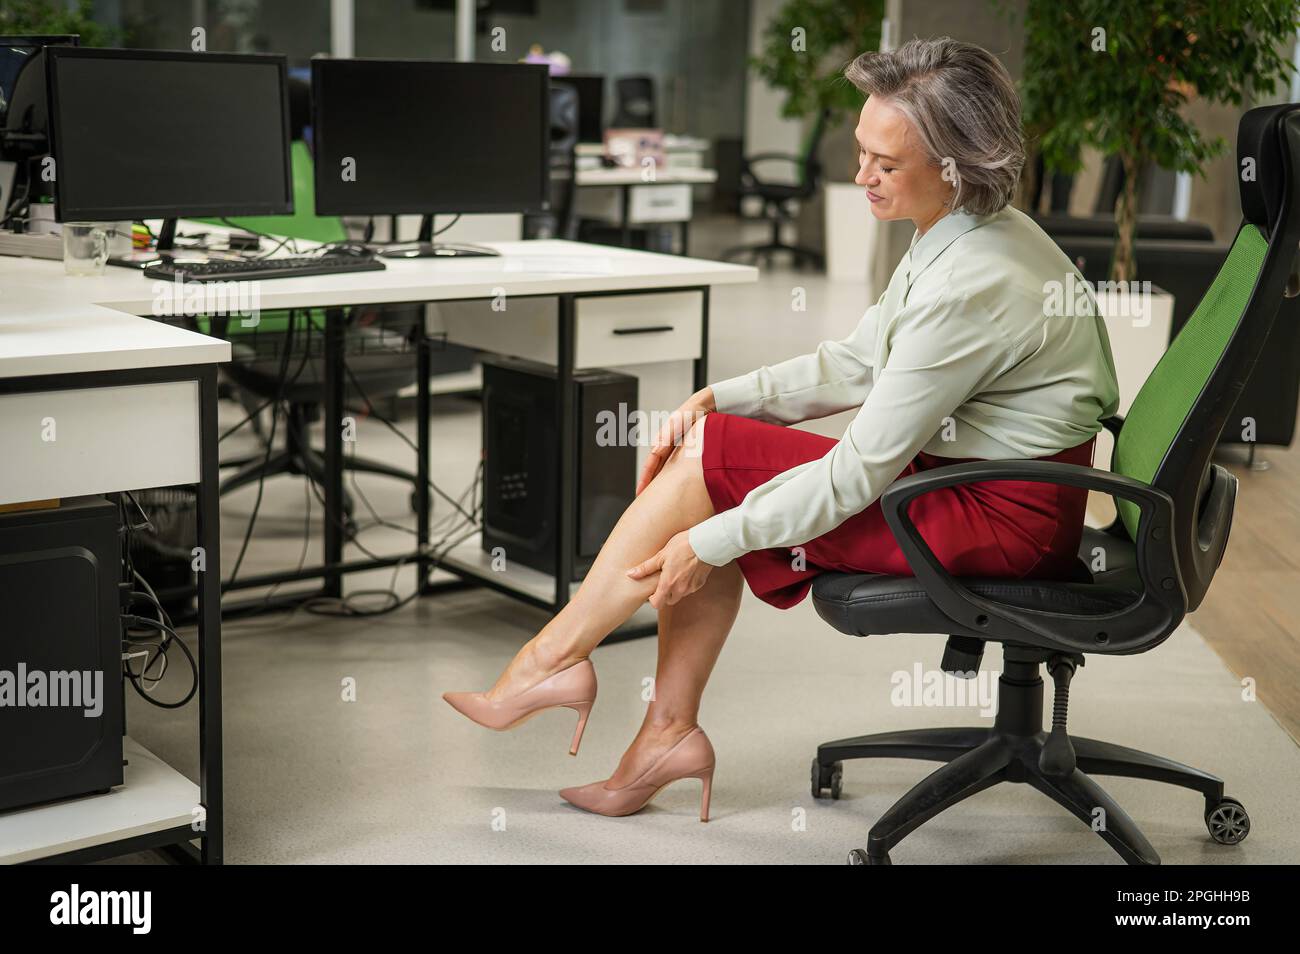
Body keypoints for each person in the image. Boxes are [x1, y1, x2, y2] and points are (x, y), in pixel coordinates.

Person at [443, 37, 1120, 823]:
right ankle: (639, 717)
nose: (859, 175)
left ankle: (555, 663)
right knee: (716, 456)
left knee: (712, 481)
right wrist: (724, 396)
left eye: (884, 163)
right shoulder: (966, 227)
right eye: (861, 151)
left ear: (953, 164)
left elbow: (858, 472)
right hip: (978, 481)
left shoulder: (974, 282)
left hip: (1001, 518)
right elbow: (863, 362)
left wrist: (712, 540)